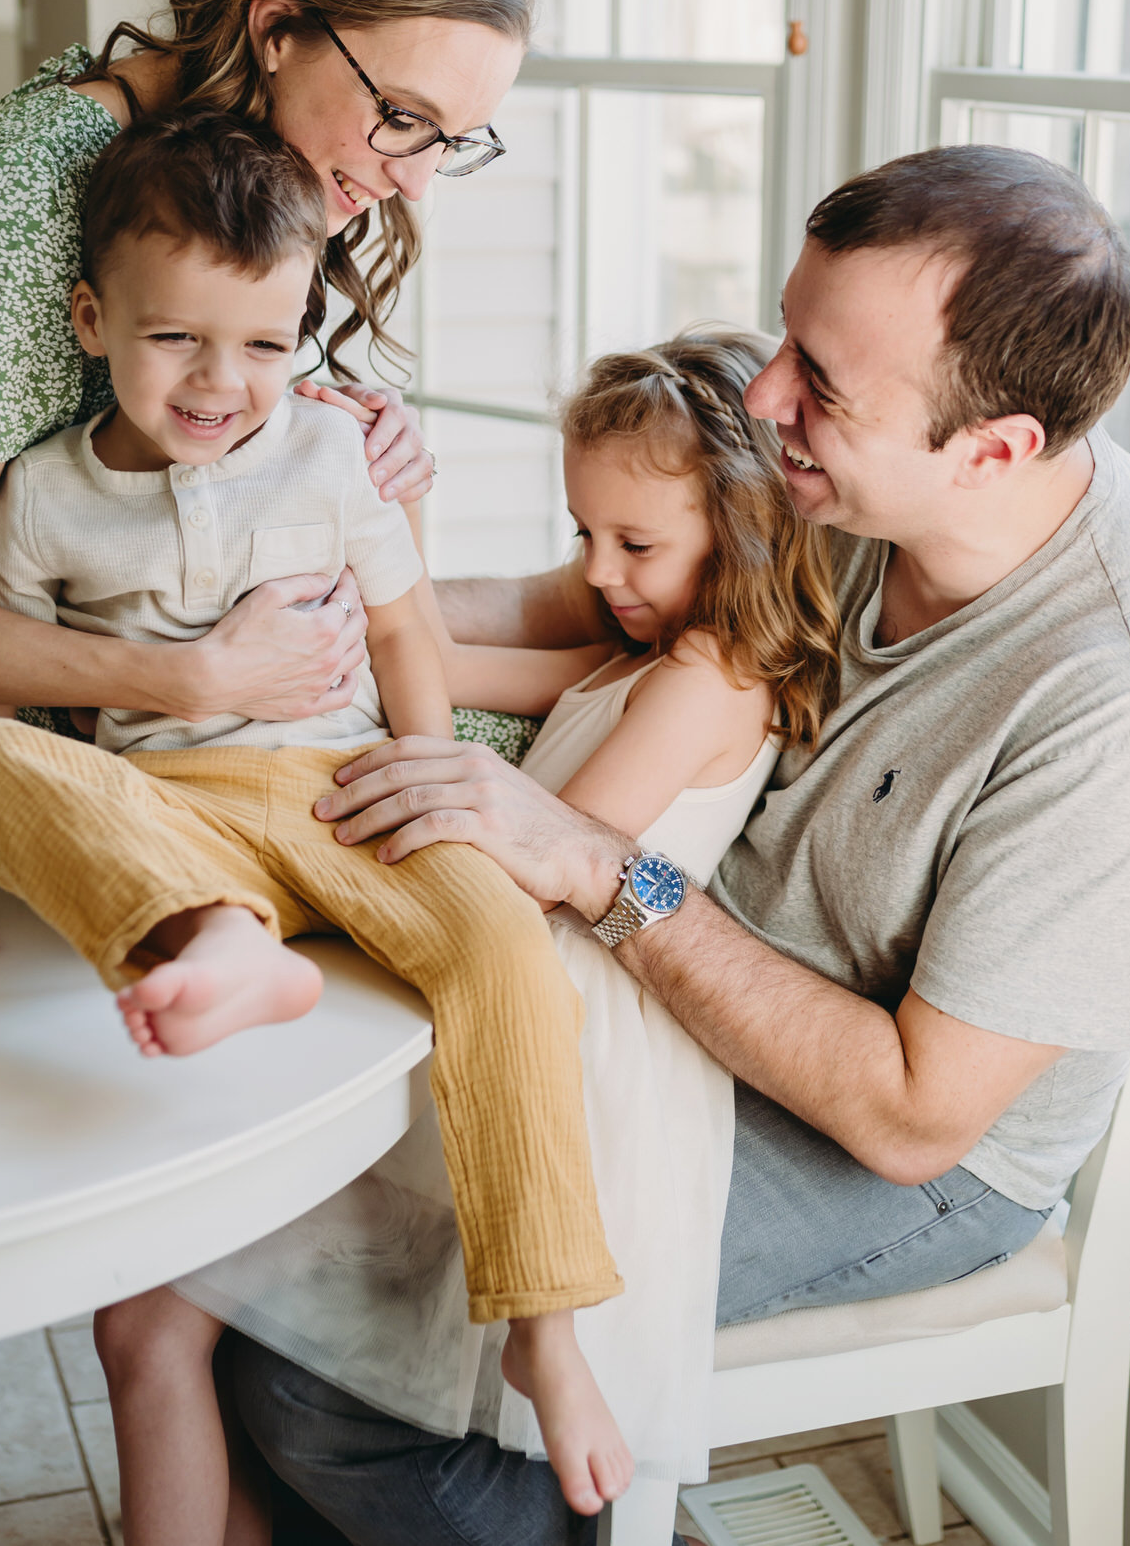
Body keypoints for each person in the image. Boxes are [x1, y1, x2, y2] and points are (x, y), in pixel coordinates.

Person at [230, 146, 1130, 1546]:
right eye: (788, 336)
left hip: (903, 1146)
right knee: (287, 1223)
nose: (767, 394)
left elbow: (916, 1111)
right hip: (692, 1000)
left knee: (312, 1360)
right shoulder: (838, 478)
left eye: (821, 382)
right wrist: (318, 593)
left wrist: (602, 864)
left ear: (996, 448)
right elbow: (575, 609)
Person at [0, 111, 632, 1535]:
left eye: (268, 345)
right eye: (178, 342)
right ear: (94, 319)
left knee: (503, 954)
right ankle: (224, 943)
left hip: (346, 794)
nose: (225, 384)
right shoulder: (43, 499)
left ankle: (548, 1326)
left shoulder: (332, 459)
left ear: (305, 333)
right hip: (170, 819)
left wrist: (437, 779)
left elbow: (407, 631)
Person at [166, 328, 841, 1494]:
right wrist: (390, 510)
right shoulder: (633, 658)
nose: (600, 570)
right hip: (523, 983)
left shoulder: (709, 679)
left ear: (743, 529)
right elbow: (417, 658)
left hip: (575, 1028)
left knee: (258, 1270)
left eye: (637, 541)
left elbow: (543, 857)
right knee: (210, 1288)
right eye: (585, 533)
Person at [0, 0, 530, 764]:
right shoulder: (21, 193)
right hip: (87, 733)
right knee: (567, 770)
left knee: (595, 704)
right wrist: (187, 679)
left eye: (448, 142)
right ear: (278, 26)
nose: (411, 181)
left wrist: (350, 439)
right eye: (401, 116)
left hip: (258, 655)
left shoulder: (259, 168)